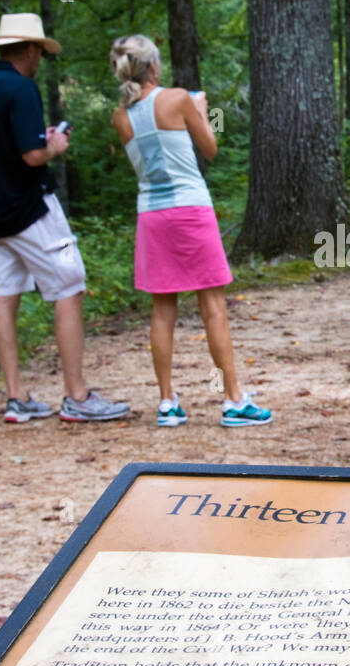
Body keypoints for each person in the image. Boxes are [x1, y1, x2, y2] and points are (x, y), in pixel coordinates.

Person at [0, 13, 130, 423]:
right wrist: (54, 145)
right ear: (32, 49)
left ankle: (16, 396)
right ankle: (77, 395)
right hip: (29, 208)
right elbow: (32, 154)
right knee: (69, 284)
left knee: (5, 294)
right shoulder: (21, 88)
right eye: (40, 51)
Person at [108, 34, 271, 428]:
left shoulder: (120, 116)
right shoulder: (178, 98)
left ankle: (167, 403)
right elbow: (210, 149)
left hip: (152, 215)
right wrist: (200, 108)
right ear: (152, 66)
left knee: (162, 309)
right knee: (212, 305)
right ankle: (233, 400)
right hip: (191, 210)